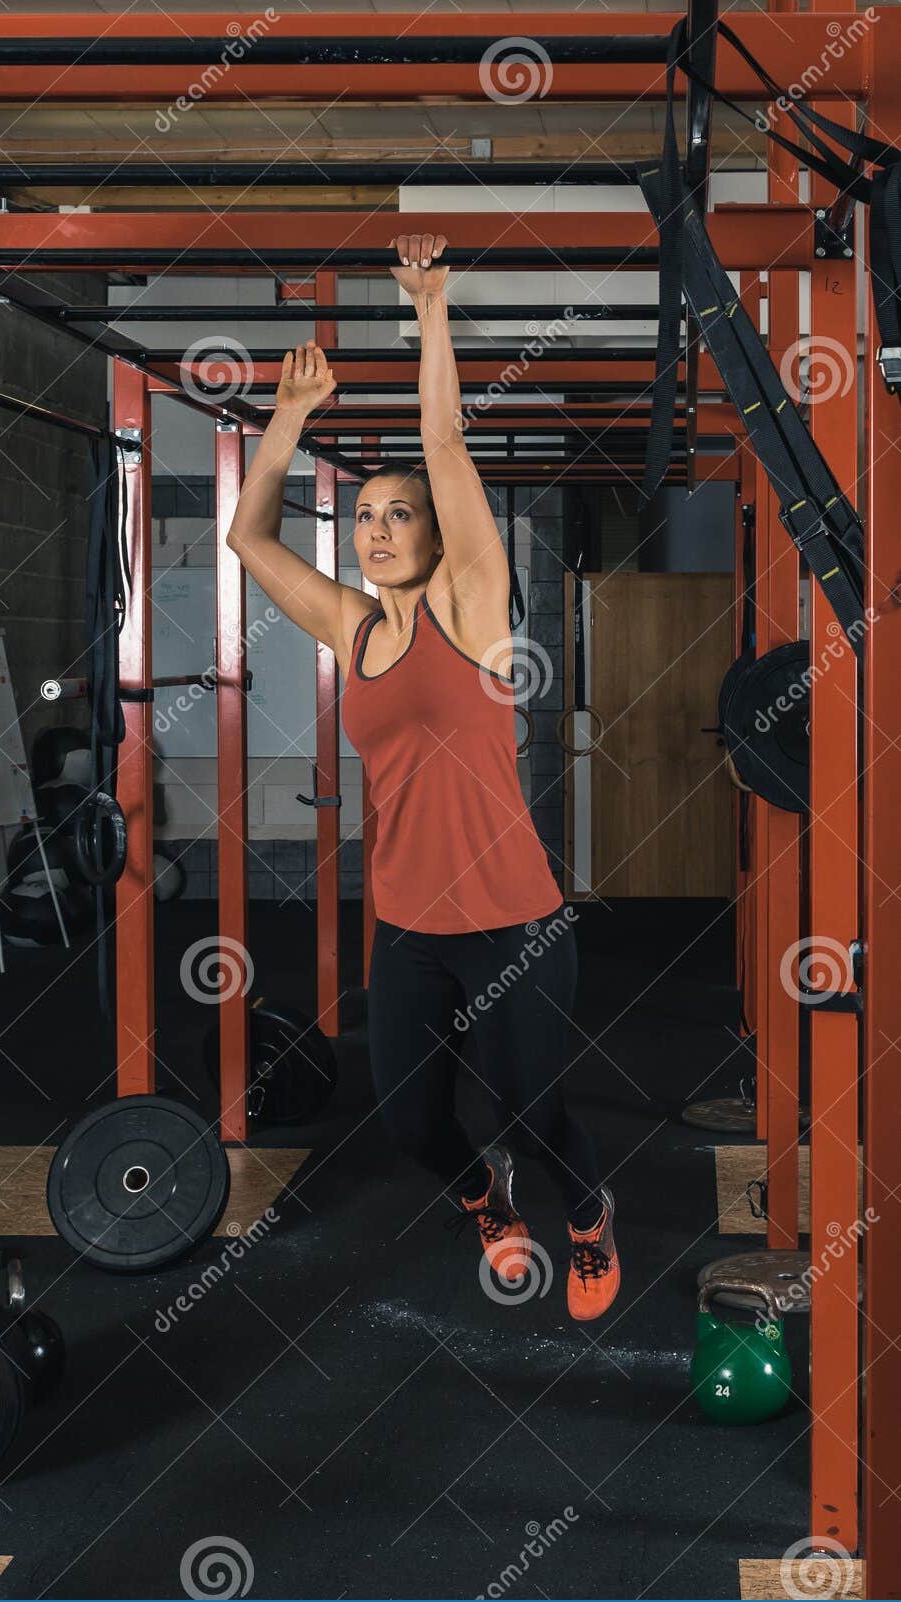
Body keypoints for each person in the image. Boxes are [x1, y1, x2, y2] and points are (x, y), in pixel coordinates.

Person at [226, 232, 619, 1321]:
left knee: (533, 1110)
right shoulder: (353, 628)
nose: (379, 527)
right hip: (404, 921)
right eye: (364, 515)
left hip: (512, 920)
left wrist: (429, 309)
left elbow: (444, 444)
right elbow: (249, 537)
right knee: (409, 1122)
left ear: (438, 536)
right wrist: (290, 419)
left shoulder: (472, 608)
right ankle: (490, 1208)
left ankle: (585, 1213)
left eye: (400, 513)